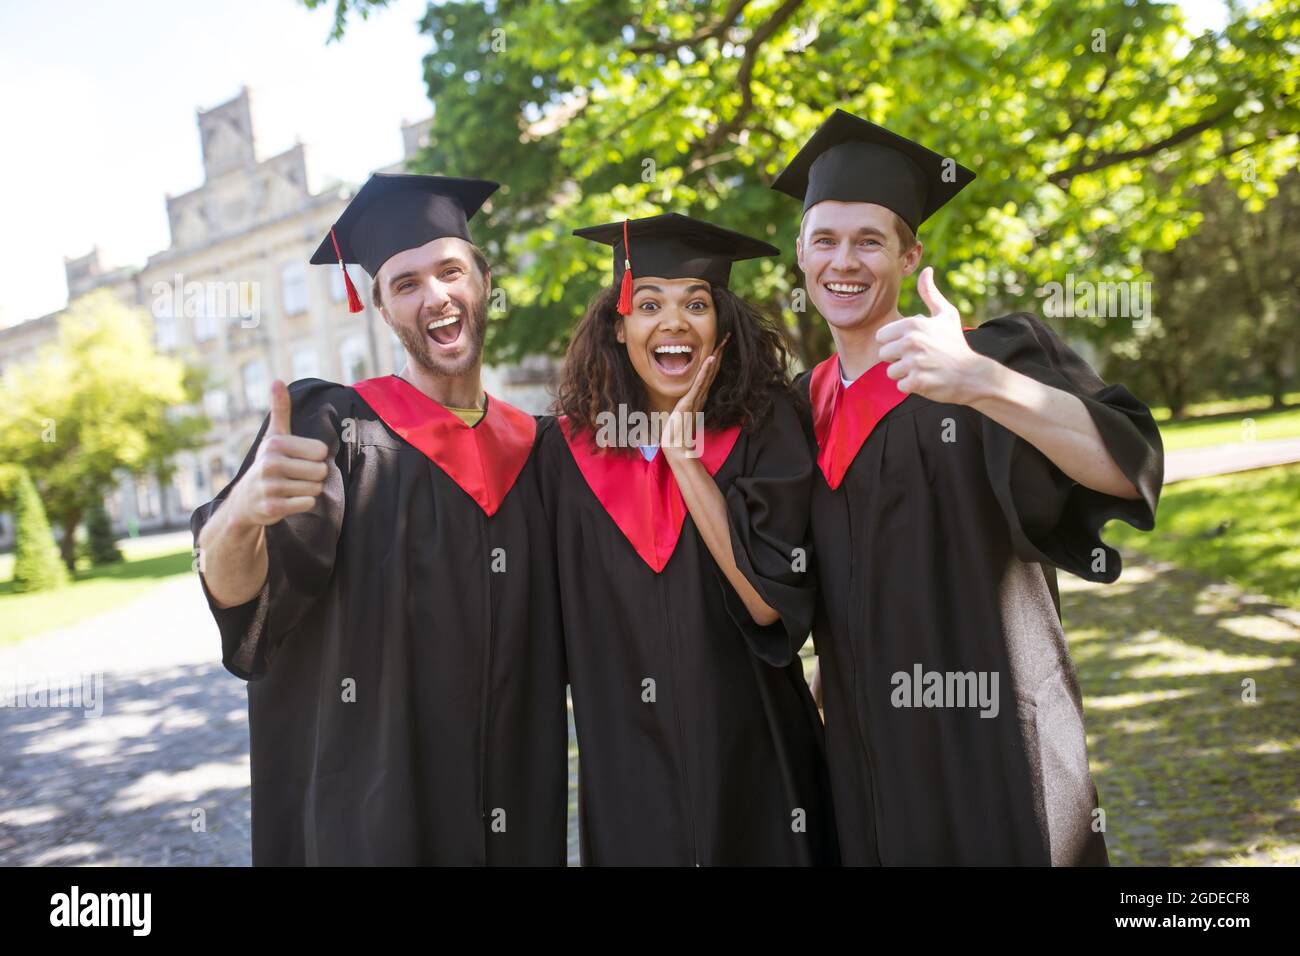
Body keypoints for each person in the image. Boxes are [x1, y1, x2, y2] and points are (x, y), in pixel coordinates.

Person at [771, 110, 1164, 865]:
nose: (842, 262)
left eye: (869, 240)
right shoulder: (797, 408)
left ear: (911, 253)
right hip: (870, 764)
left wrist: (983, 384)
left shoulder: (991, 356)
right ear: (800, 252)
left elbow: (1130, 467)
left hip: (999, 743)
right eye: (825, 239)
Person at [191, 173, 568, 865]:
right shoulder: (330, 427)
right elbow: (243, 600)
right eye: (406, 283)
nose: (436, 297)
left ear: (483, 279)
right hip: (374, 813)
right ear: (381, 307)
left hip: (511, 802)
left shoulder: (540, 451)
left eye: (451, 271)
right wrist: (239, 514)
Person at [539, 213, 838, 865]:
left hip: (758, 757)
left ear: (721, 331)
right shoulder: (562, 455)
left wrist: (683, 458)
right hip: (627, 771)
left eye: (695, 304)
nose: (672, 322)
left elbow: (768, 603)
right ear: (620, 328)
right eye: (648, 304)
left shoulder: (769, 428)